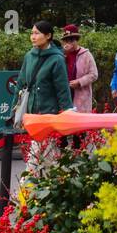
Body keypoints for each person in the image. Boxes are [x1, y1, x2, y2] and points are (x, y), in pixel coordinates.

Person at [17, 21, 73, 177]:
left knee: (42, 158)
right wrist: (15, 108)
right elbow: (21, 83)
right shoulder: (29, 56)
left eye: (37, 33)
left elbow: (62, 89)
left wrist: (67, 113)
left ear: (48, 36)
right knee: (43, 157)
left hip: (49, 115)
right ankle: (45, 187)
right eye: (32, 33)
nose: (33, 37)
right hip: (31, 115)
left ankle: (29, 190)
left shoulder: (57, 59)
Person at [61, 23, 99, 113]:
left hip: (81, 96)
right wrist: (63, 54)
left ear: (77, 40)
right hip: (66, 95)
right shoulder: (61, 55)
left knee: (81, 123)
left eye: (71, 40)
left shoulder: (86, 54)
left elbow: (94, 74)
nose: (68, 43)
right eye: (66, 41)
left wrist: (79, 82)